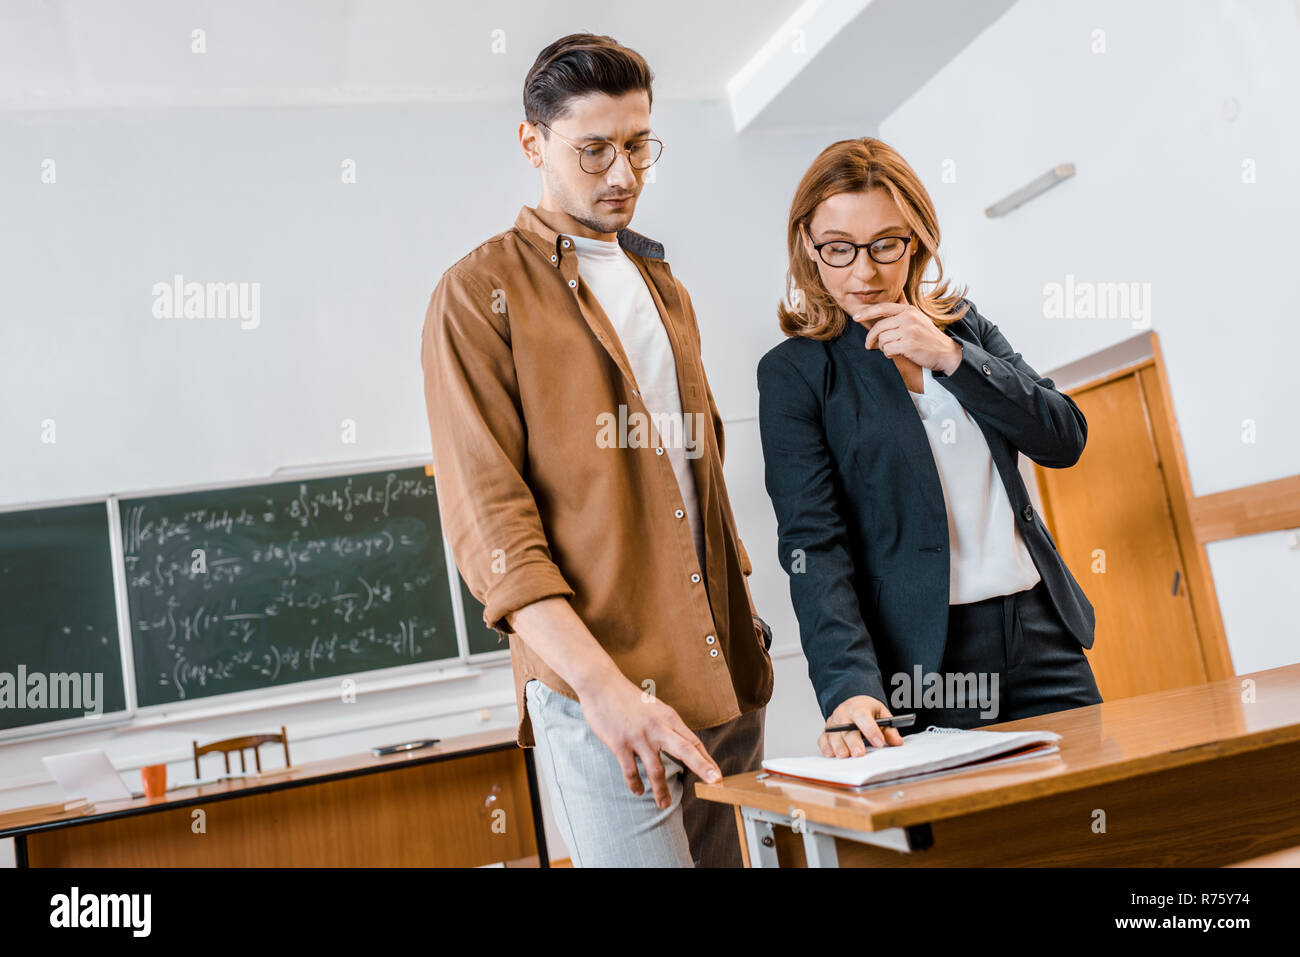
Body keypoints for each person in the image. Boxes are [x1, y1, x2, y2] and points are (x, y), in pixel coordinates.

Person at [420, 33, 772, 866]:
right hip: (599, 693)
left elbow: (700, 466)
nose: (623, 175)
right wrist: (604, 690)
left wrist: (742, 610)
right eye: (594, 151)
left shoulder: (664, 285)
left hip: (723, 673)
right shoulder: (477, 294)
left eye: (639, 146)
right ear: (532, 143)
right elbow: (490, 525)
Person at [756, 137, 1102, 759]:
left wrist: (951, 357)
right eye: (838, 249)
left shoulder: (965, 329)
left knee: (1094, 823)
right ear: (808, 245)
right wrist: (847, 686)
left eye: (886, 244)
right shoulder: (797, 372)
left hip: (1041, 634)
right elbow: (813, 544)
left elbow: (1063, 438)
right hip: (920, 663)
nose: (863, 272)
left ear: (916, 239)